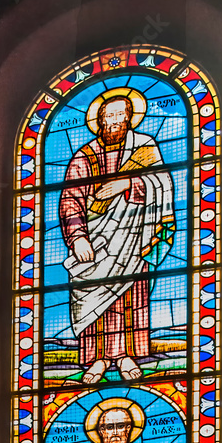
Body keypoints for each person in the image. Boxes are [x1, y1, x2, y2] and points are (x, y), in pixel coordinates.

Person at [59, 90, 175, 384]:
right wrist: (78, 237)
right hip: (95, 240)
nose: (114, 121)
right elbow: (70, 198)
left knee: (129, 296)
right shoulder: (84, 156)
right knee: (91, 289)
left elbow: (163, 183)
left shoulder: (145, 148)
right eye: (109, 116)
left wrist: (128, 182)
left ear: (129, 118)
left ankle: (125, 356)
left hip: (134, 234)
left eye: (120, 115)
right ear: (99, 119)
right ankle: (96, 359)